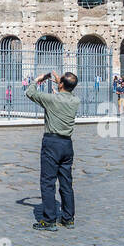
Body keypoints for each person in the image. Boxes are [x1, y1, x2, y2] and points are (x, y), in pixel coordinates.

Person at [25, 71, 80, 231]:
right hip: (67, 145)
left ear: (61, 84)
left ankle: (49, 220)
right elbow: (68, 93)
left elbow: (30, 92)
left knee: (48, 182)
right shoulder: (75, 101)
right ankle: (68, 219)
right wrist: (61, 84)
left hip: (52, 143)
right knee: (66, 183)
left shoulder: (51, 99)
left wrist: (38, 79)